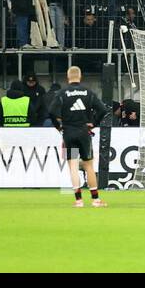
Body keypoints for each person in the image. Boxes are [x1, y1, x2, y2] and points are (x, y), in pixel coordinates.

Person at [50, 66, 110, 208]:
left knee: (73, 165)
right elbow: (103, 110)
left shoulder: (62, 93)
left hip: (68, 134)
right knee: (88, 165)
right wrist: (93, 124)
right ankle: (95, 200)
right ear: (80, 76)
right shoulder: (88, 92)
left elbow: (52, 112)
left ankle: (78, 200)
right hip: (84, 133)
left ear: (68, 77)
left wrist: (59, 127)